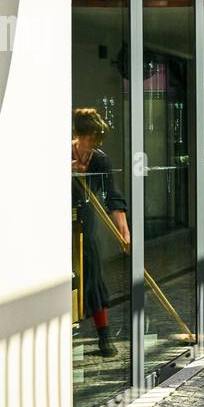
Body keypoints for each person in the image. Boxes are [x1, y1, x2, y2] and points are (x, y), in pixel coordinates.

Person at [72, 107, 130, 357]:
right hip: (60, 223)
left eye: (96, 140)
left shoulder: (100, 160)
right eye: (88, 138)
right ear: (79, 134)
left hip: (87, 221)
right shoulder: (58, 154)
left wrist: (124, 231)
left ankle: (104, 336)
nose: (91, 144)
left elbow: (113, 198)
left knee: (93, 275)